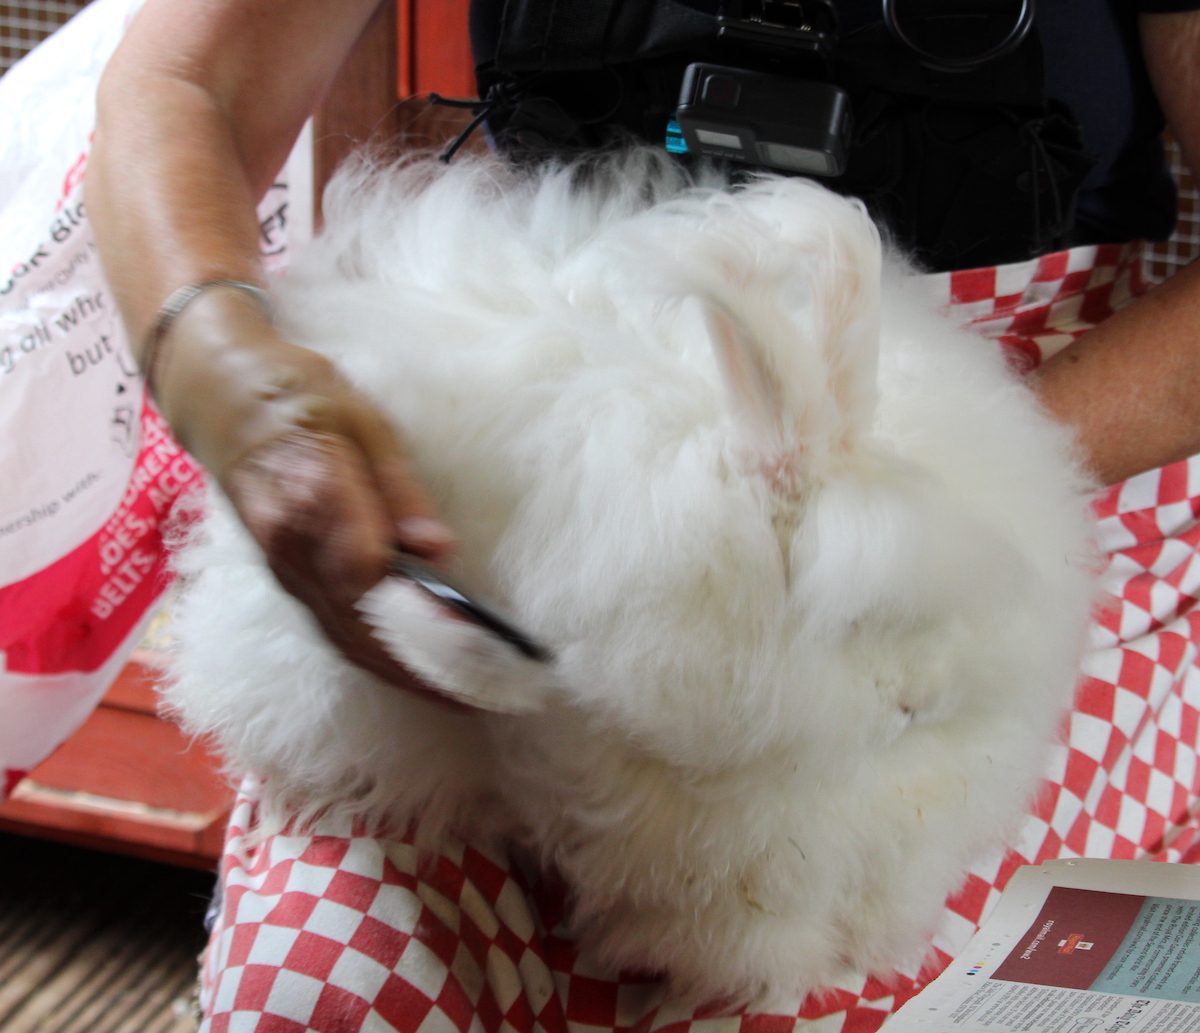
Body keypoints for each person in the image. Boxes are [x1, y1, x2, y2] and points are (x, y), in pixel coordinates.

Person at [85, 2, 1200, 1030]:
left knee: (820, 965)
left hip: (1044, 468)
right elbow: (190, 82)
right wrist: (224, 367)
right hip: (563, 442)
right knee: (327, 990)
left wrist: (964, 470)